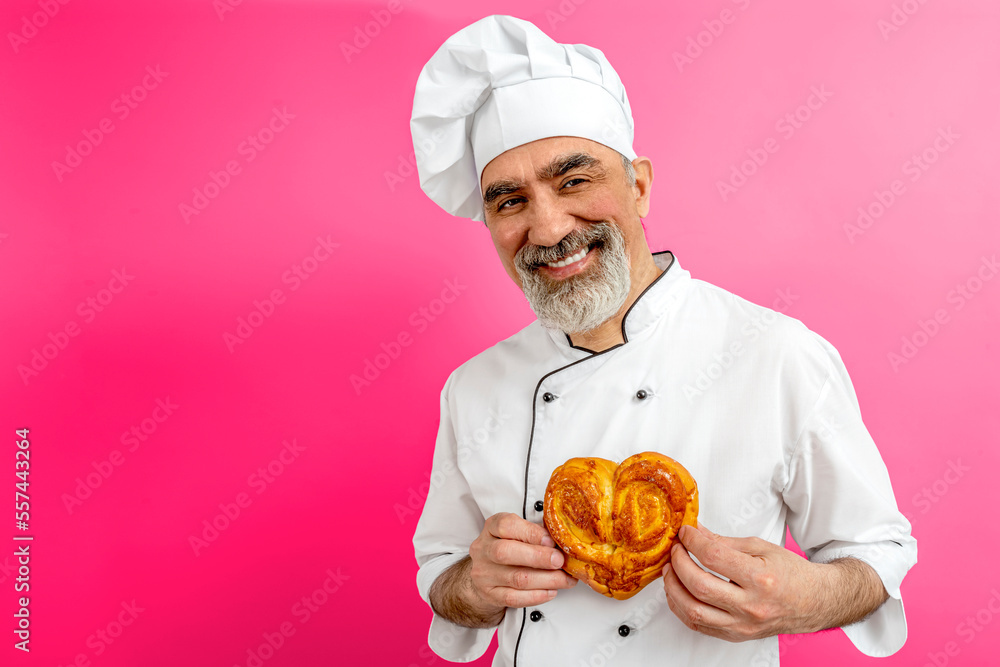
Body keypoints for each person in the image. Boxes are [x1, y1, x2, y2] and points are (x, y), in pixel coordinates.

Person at [409, 15, 916, 666]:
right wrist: (472, 586)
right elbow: (442, 572)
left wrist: (809, 595)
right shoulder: (473, 389)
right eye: (509, 202)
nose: (547, 225)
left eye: (574, 180)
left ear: (639, 185)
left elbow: (876, 550)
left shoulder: (775, 353)